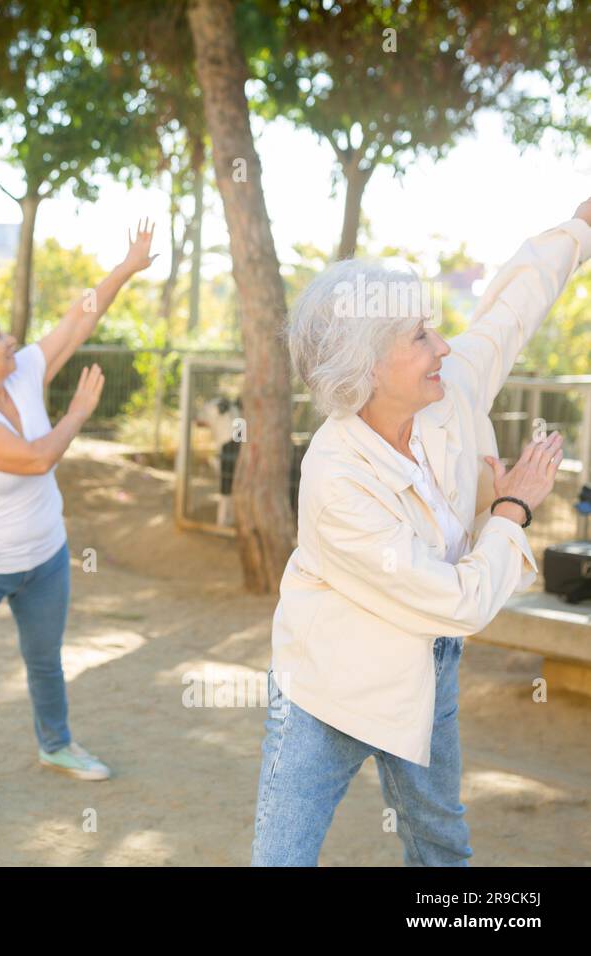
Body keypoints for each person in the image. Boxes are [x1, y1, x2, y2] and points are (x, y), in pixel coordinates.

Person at [252, 198, 591, 866]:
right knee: (281, 861)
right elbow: (460, 601)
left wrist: (580, 229)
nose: (442, 347)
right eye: (418, 337)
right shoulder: (336, 479)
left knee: (440, 847)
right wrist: (512, 510)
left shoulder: (446, 393)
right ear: (364, 368)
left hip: (426, 671)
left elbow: (507, 316)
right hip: (325, 687)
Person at [0, 221, 156, 833]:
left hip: (45, 557)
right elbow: (36, 457)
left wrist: (126, 266)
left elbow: (79, 319)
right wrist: (78, 415)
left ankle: (56, 744)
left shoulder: (22, 371)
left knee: (44, 661)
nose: (10, 337)